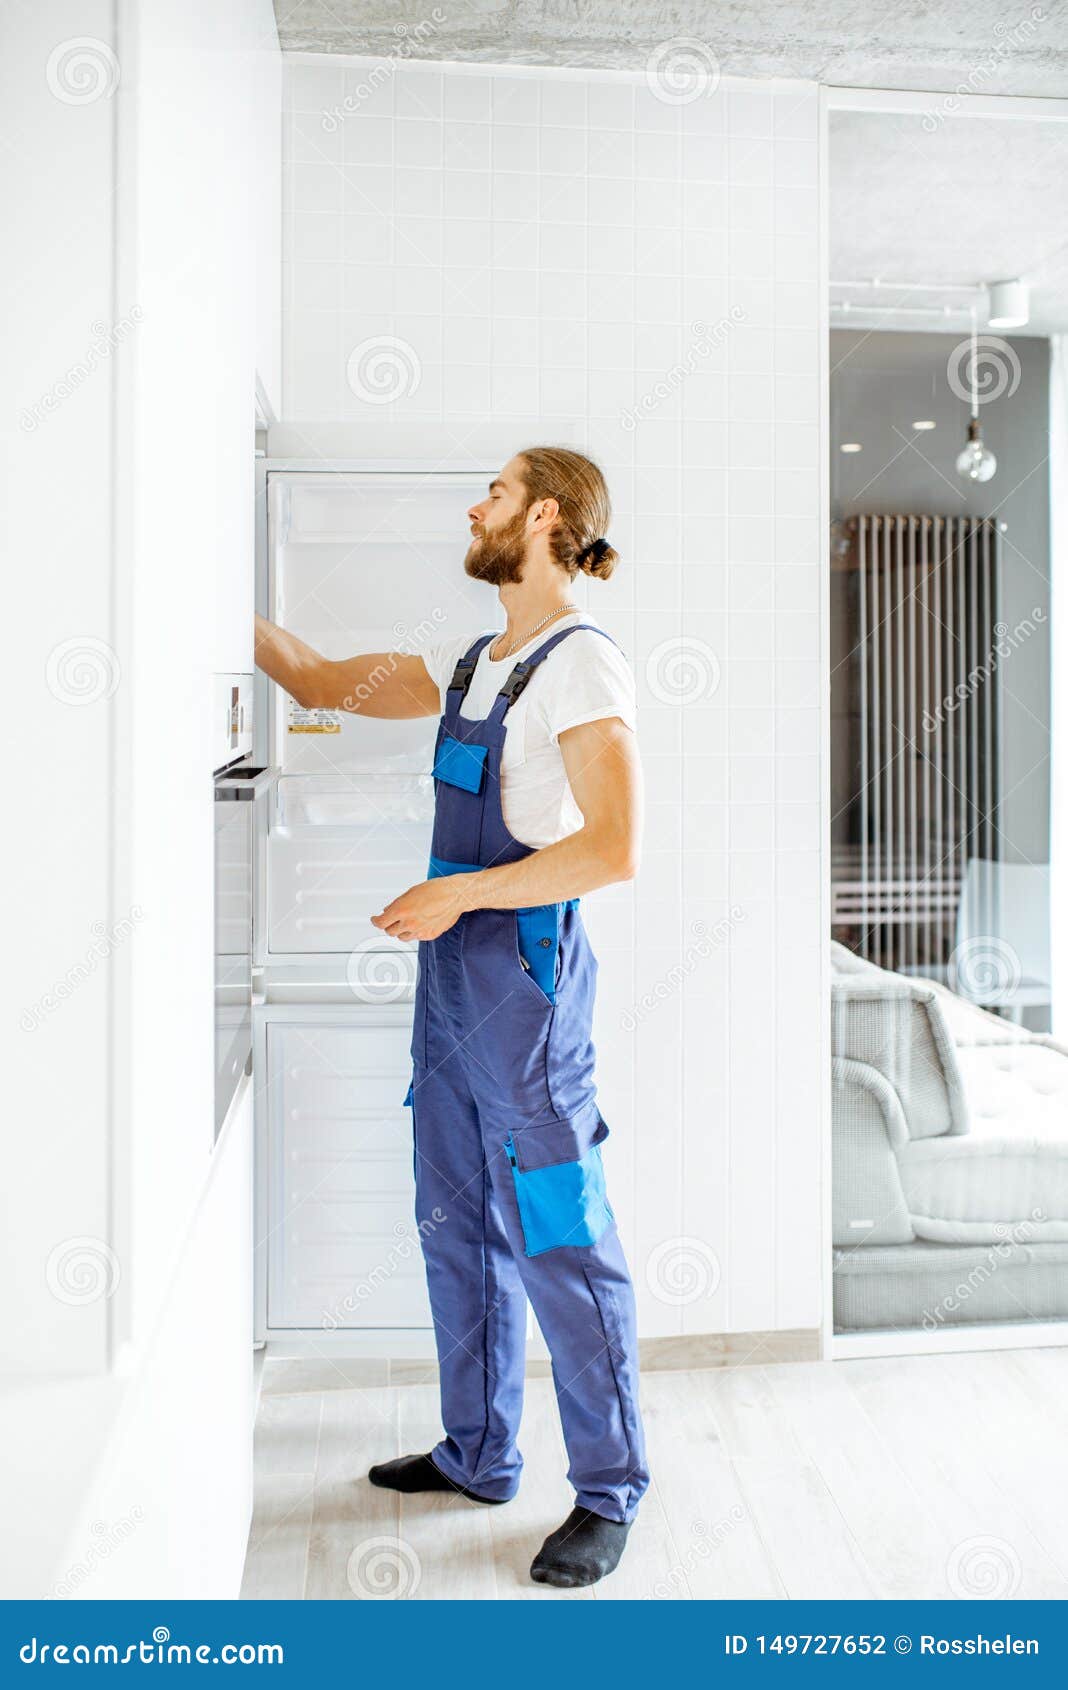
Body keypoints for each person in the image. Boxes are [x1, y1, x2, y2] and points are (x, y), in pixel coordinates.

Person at [255, 446, 649, 1589]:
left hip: (524, 991)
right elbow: (324, 682)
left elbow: (614, 849)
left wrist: (460, 892)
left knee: (561, 1240)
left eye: (491, 490)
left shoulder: (582, 666)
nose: (472, 506)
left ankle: (609, 1492)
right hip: (451, 989)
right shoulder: (476, 660)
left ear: (542, 516)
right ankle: (479, 1450)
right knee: (454, 1220)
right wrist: (208, 602)